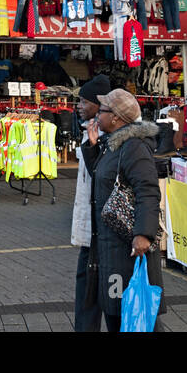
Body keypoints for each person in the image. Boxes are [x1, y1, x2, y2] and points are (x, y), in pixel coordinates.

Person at [82, 88, 164, 332]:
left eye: (103, 110)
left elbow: (148, 191)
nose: (98, 114)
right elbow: (102, 177)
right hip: (111, 245)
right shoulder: (114, 144)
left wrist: (143, 234)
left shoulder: (134, 147)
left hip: (127, 248)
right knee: (120, 315)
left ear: (116, 118)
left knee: (133, 316)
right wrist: (93, 147)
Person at [72, 74, 109, 332]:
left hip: (103, 228)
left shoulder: (109, 135)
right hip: (92, 227)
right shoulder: (91, 132)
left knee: (94, 285)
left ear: (99, 104)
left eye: (84, 101)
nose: (79, 106)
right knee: (86, 285)